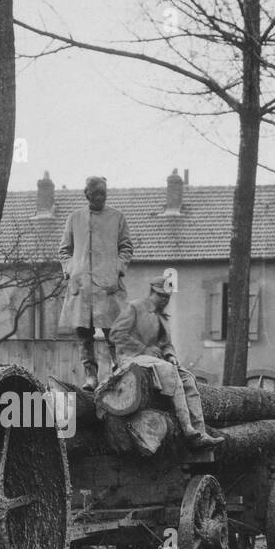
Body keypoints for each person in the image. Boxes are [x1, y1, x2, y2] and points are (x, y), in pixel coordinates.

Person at [110, 276, 224, 449]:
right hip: (131, 358)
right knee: (171, 372)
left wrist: (171, 355)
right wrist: (143, 348)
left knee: (188, 379)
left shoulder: (162, 318)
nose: (165, 300)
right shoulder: (135, 307)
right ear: (152, 292)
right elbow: (116, 334)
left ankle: (200, 433)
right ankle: (187, 428)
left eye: (167, 297)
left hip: (155, 361)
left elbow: (166, 344)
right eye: (161, 296)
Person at [58, 176, 132, 391]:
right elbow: (64, 250)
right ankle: (91, 376)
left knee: (114, 333)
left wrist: (117, 269)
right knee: (84, 335)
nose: (100, 198)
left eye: (103, 194)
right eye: (96, 194)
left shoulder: (117, 218)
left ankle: (120, 373)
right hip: (81, 287)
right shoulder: (75, 218)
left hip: (108, 286)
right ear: (87, 194)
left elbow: (126, 247)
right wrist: (71, 269)